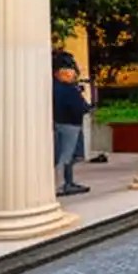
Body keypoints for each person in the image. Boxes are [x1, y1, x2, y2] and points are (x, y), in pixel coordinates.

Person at [52, 65, 92, 196]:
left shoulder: (57, 88)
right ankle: (64, 184)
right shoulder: (68, 90)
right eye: (70, 74)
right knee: (67, 156)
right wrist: (86, 107)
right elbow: (79, 106)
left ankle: (67, 182)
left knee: (67, 154)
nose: (73, 76)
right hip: (70, 124)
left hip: (62, 123)